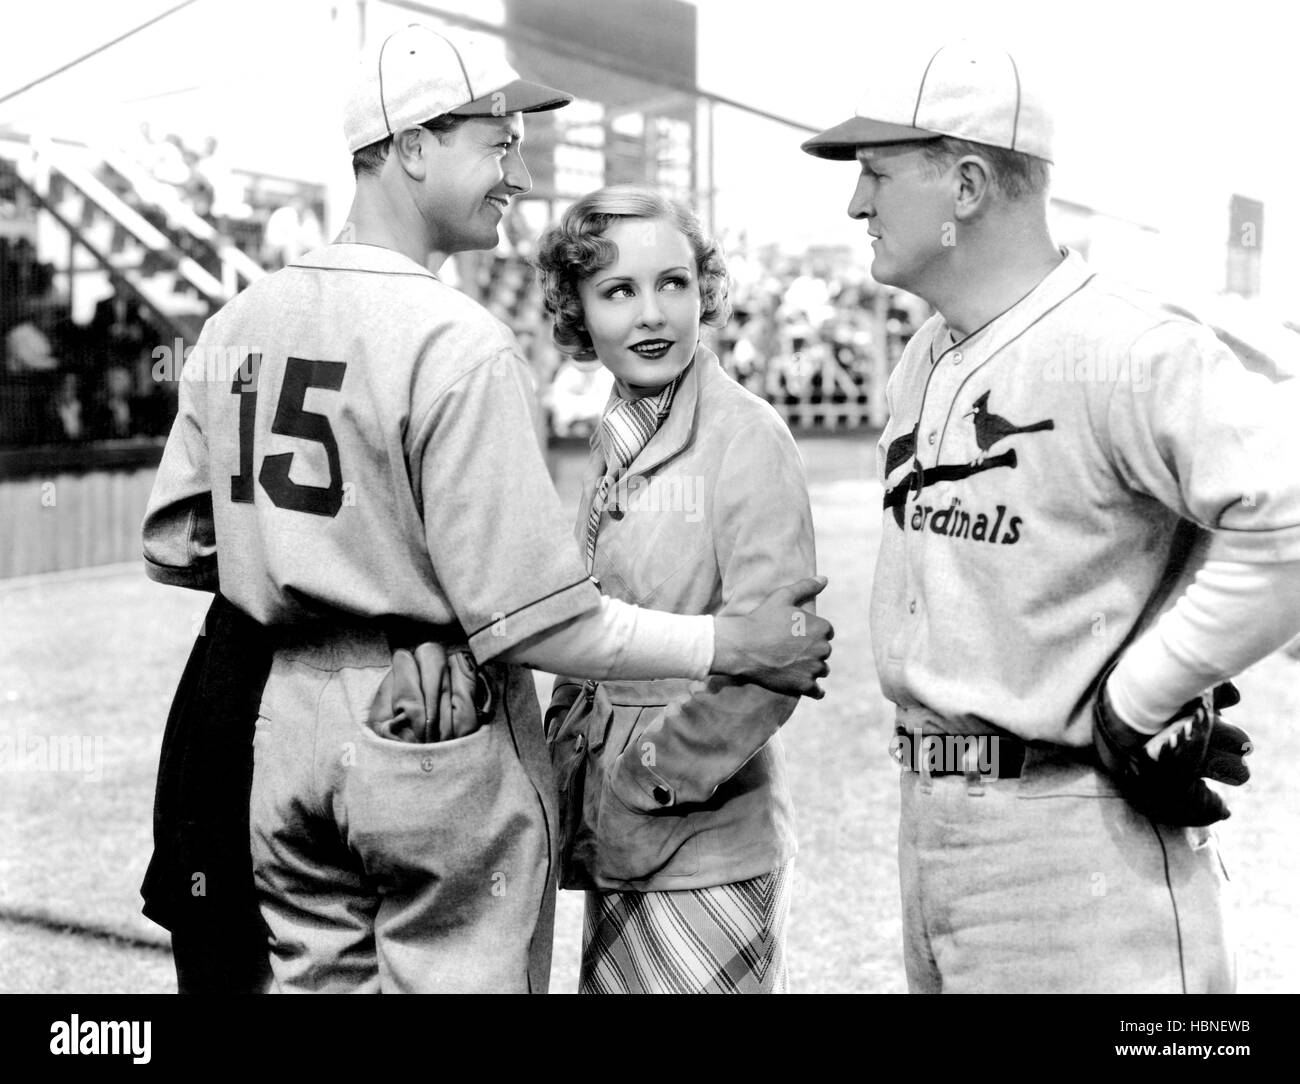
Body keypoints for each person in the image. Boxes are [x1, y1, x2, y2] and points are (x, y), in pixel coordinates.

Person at [141, 23, 832, 995]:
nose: (517, 167)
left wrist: (325, 573)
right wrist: (730, 645)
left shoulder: (236, 321)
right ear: (413, 146)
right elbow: (548, 623)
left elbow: (179, 544)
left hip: (280, 717)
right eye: (495, 139)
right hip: (430, 718)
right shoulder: (456, 340)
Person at [802, 39, 1299, 993]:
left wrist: (1146, 691)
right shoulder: (925, 355)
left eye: (875, 175)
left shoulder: (1129, 346)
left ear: (969, 184)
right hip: (935, 821)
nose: (855, 205)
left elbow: (1286, 521)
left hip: (1080, 835)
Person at [536, 186, 815, 993]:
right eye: (618, 291)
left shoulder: (747, 434)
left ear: (705, 292)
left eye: (673, 283)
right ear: (578, 310)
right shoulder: (619, 428)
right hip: (620, 838)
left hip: (706, 843)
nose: (652, 314)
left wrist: (642, 779)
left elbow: (777, 659)